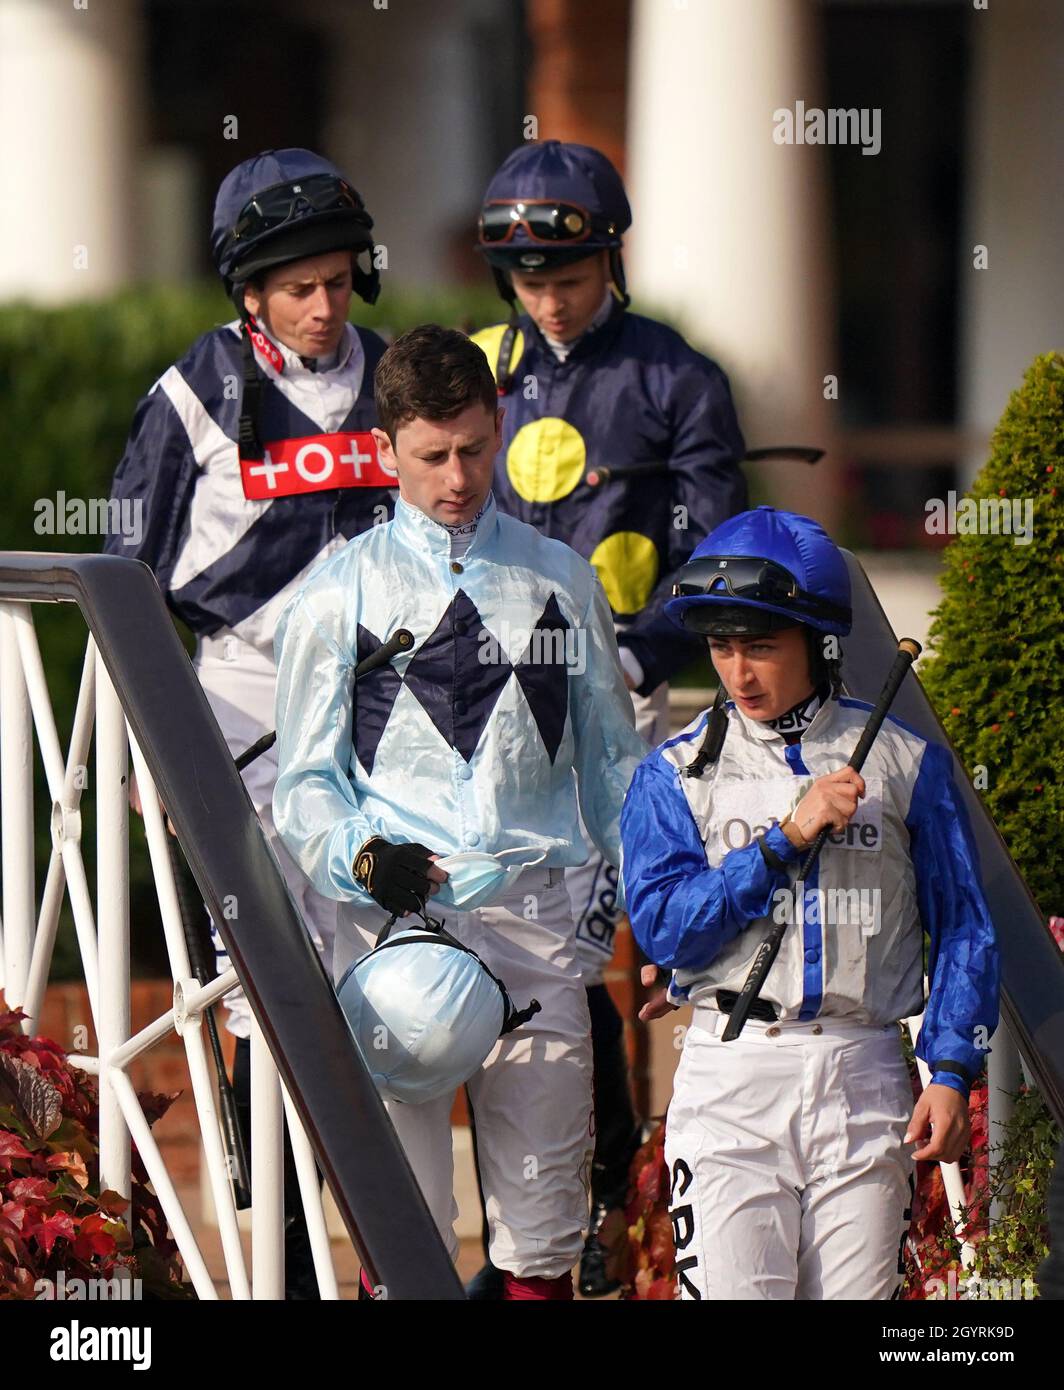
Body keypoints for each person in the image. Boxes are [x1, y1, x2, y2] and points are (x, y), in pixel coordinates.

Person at [271, 325, 648, 1300]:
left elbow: (613, 769)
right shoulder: (335, 589)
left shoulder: (563, 579)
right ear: (386, 445)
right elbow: (304, 783)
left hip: (538, 922)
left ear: (500, 425)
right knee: (404, 1233)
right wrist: (365, 857)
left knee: (541, 1231)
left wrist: (637, 908)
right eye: (432, 455)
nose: (456, 477)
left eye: (474, 448)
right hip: (398, 931)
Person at [105, 147, 393, 1297]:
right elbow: (120, 572)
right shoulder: (188, 393)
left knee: (391, 985)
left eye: (335, 280)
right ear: (248, 294)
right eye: (296, 288)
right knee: (261, 990)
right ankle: (277, 1253)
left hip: (387, 730)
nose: (322, 307)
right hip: (238, 723)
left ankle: (384, 1254)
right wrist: (145, 742)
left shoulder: (404, 376)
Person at [469, 138, 749, 1294]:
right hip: (478, 703)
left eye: (568, 276)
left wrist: (635, 650)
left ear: (609, 259)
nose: (547, 297)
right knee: (481, 945)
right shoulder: (474, 364)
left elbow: (715, 552)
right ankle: (517, 1227)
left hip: (621, 701)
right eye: (530, 280)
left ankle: (603, 1199)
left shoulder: (679, 379)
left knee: (595, 949)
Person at [620, 505, 1000, 1300]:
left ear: (817, 644)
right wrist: (780, 842)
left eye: (761, 647)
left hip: (865, 1078)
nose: (738, 673)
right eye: (721, 648)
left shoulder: (906, 762)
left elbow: (963, 923)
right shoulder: (671, 773)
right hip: (730, 1080)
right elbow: (663, 930)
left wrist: (951, 1069)